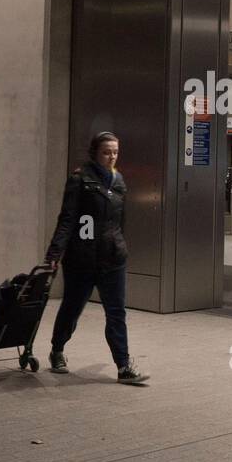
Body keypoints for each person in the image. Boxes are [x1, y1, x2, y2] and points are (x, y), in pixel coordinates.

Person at [44, 132, 148, 385]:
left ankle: (123, 366)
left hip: (113, 258)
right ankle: (57, 350)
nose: (112, 157)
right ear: (95, 153)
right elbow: (67, 219)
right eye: (106, 152)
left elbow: (120, 221)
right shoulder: (79, 179)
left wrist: (120, 244)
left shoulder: (118, 180)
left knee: (116, 312)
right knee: (72, 307)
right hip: (82, 258)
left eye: (115, 152)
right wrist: (54, 253)